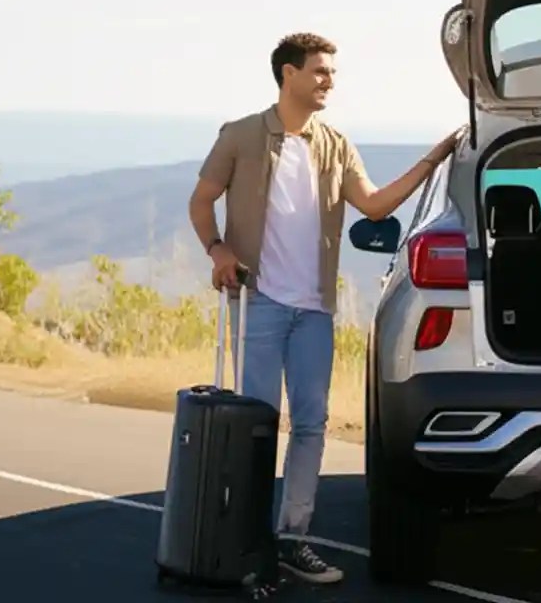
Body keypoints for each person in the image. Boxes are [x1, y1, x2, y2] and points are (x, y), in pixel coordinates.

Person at [188, 32, 461, 585]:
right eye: (319, 71)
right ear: (288, 74)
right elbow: (201, 200)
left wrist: (435, 158)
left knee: (311, 424)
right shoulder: (241, 135)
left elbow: (375, 204)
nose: (329, 81)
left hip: (314, 309)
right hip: (260, 302)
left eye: (332, 72)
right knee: (258, 425)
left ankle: (293, 538)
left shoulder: (335, 144)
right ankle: (247, 541)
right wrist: (218, 250)